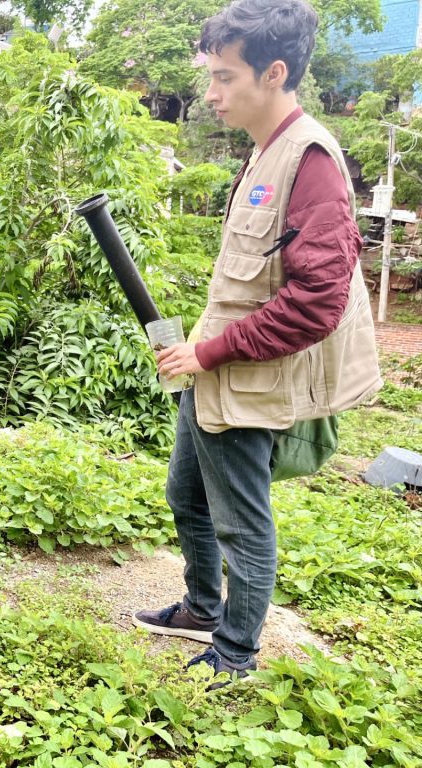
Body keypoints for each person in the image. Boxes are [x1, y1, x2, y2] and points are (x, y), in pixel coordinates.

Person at [131, 0, 381, 687]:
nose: (210, 93)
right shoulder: (265, 151)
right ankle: (203, 607)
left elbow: (318, 302)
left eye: (224, 77)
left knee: (242, 523)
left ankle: (235, 651)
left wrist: (208, 351)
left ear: (274, 73)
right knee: (187, 493)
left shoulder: (313, 161)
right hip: (215, 375)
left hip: (247, 380)